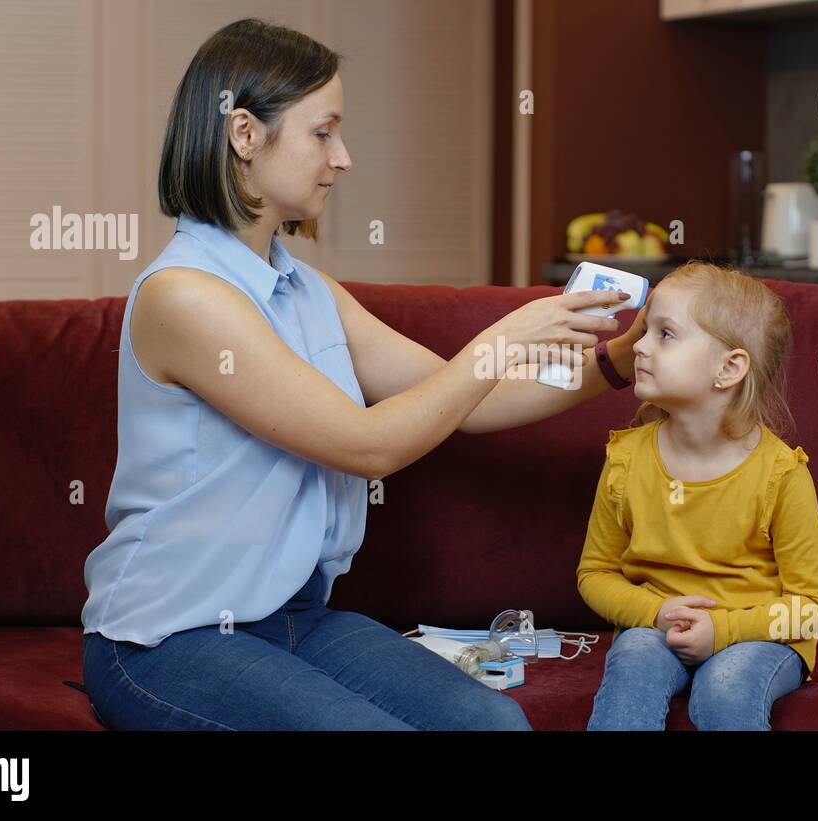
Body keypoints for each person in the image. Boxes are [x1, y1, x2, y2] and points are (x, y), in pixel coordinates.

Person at [80, 18, 647, 730]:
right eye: (323, 132)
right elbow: (368, 444)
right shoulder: (184, 296)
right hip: (167, 639)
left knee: (495, 723)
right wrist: (505, 332)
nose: (342, 157)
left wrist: (617, 360)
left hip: (292, 619)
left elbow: (472, 401)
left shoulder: (309, 291)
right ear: (245, 135)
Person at [576, 261, 818, 731]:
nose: (638, 345)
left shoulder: (781, 474)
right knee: (633, 655)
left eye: (665, 334)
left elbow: (811, 606)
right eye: (645, 330)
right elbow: (595, 573)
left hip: (754, 635)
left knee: (727, 686)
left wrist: (724, 631)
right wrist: (655, 613)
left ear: (729, 368)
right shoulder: (625, 459)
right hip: (657, 629)